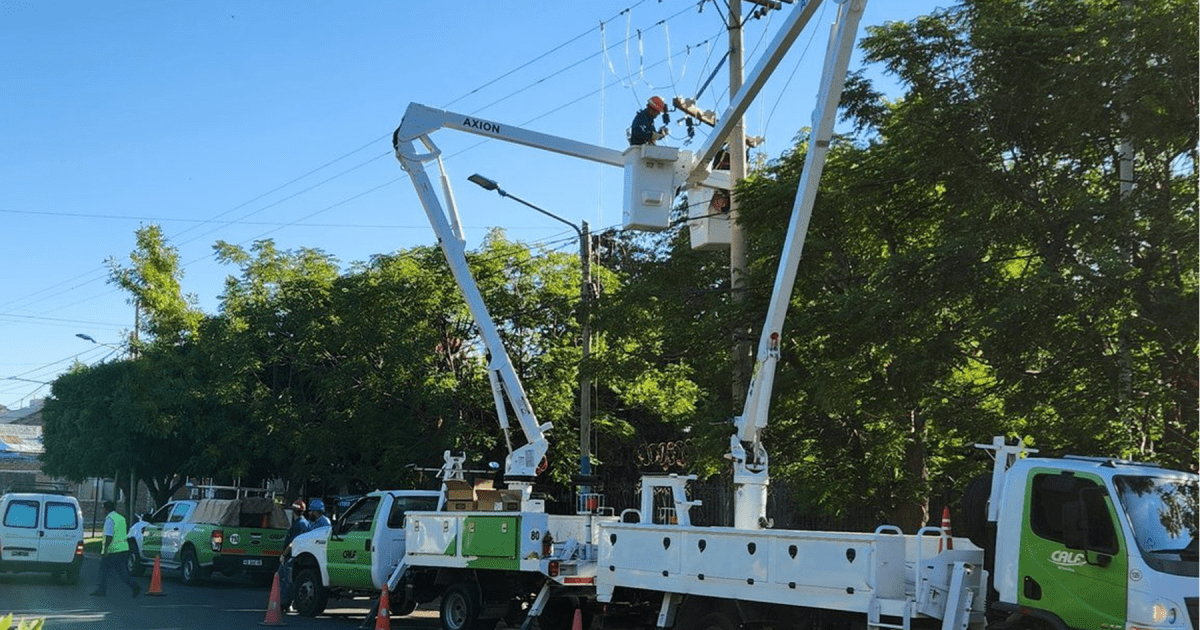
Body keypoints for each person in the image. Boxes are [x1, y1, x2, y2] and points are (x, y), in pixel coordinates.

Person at [91, 500, 141, 598]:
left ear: (106, 509)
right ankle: (134, 585)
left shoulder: (110, 519)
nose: (102, 511)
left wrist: (105, 550)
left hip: (112, 550)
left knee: (103, 570)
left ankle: (101, 590)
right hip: (122, 549)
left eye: (103, 508)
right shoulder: (120, 518)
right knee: (122, 572)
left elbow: (109, 536)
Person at [279, 499, 310, 612]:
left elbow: (293, 543)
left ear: (293, 511)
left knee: (285, 579)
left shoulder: (299, 525)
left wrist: (284, 555)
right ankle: (287, 603)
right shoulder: (305, 523)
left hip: (292, 556)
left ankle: (284, 603)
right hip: (298, 555)